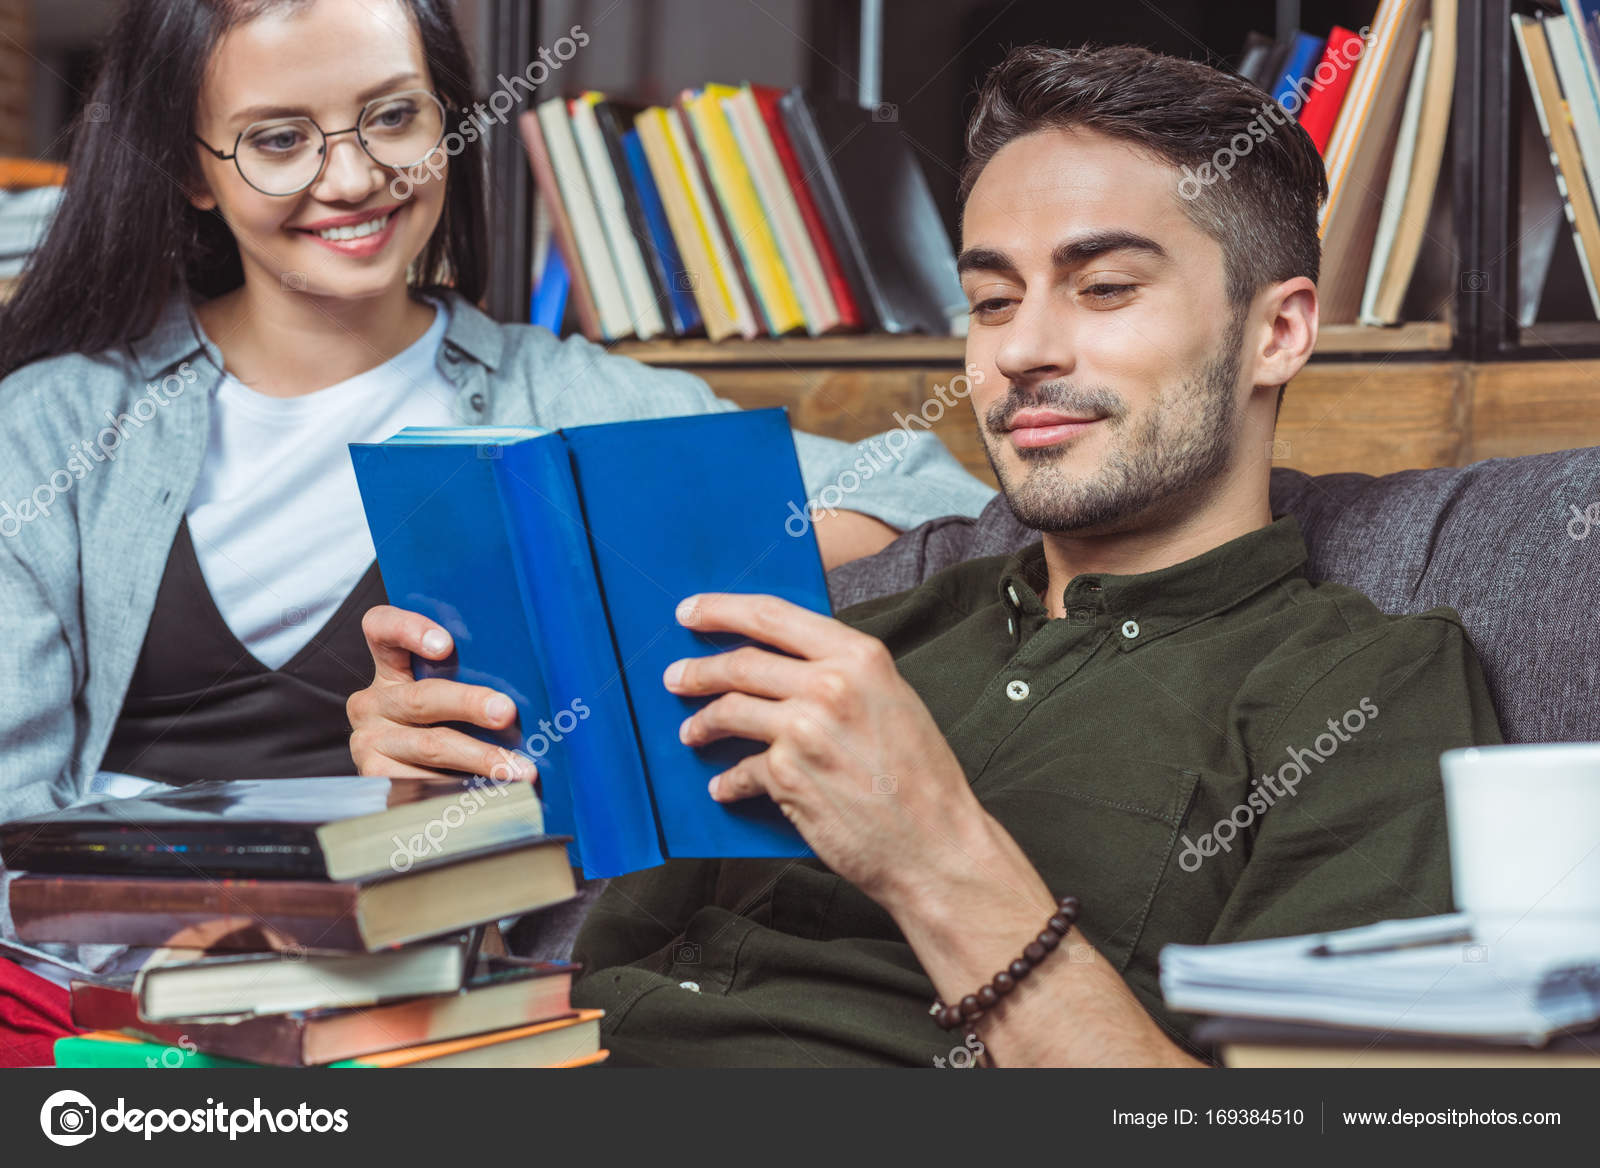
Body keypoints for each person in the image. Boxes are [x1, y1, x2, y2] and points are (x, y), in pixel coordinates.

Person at [353, 42, 1505, 1066]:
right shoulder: (853, 635)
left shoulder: (1364, 687)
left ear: (1278, 330)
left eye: (1103, 288)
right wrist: (423, 820)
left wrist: (932, 853)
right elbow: (541, 987)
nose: (1024, 348)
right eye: (991, 298)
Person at [0, 0, 991, 1062]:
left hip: (448, 995)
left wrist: (660, 563)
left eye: (392, 117)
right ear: (194, 171)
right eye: (278, 140)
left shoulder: (562, 394)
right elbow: (15, 830)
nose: (351, 179)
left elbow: (936, 499)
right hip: (106, 1003)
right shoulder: (55, 424)